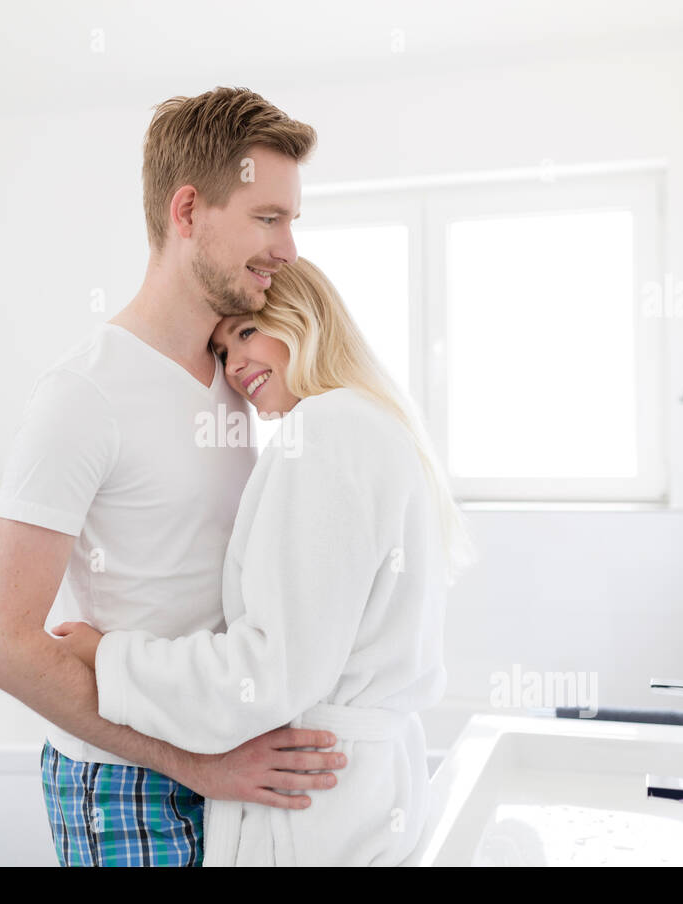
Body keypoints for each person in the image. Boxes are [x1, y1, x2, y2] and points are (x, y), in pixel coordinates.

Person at [0, 87, 346, 867]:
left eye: (291, 222)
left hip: (229, 763)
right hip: (128, 783)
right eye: (267, 219)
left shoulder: (236, 372)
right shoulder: (84, 395)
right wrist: (198, 766)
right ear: (187, 213)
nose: (288, 249)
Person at [53, 256, 476, 865]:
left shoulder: (326, 432)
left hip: (316, 801)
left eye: (248, 332)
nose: (235, 366)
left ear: (305, 316)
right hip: (362, 794)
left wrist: (107, 656)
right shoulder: (372, 426)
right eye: (222, 352)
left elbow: (268, 668)